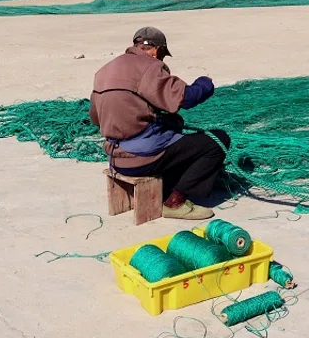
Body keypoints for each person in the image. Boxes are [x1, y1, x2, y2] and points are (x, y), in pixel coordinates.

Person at [89, 26, 230, 220]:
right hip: (142, 159)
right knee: (218, 141)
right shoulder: (149, 67)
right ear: (156, 50)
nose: (162, 60)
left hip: (116, 159)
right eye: (162, 55)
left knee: (174, 132)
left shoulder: (104, 71)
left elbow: (95, 118)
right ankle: (175, 202)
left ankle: (171, 185)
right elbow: (187, 98)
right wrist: (204, 84)